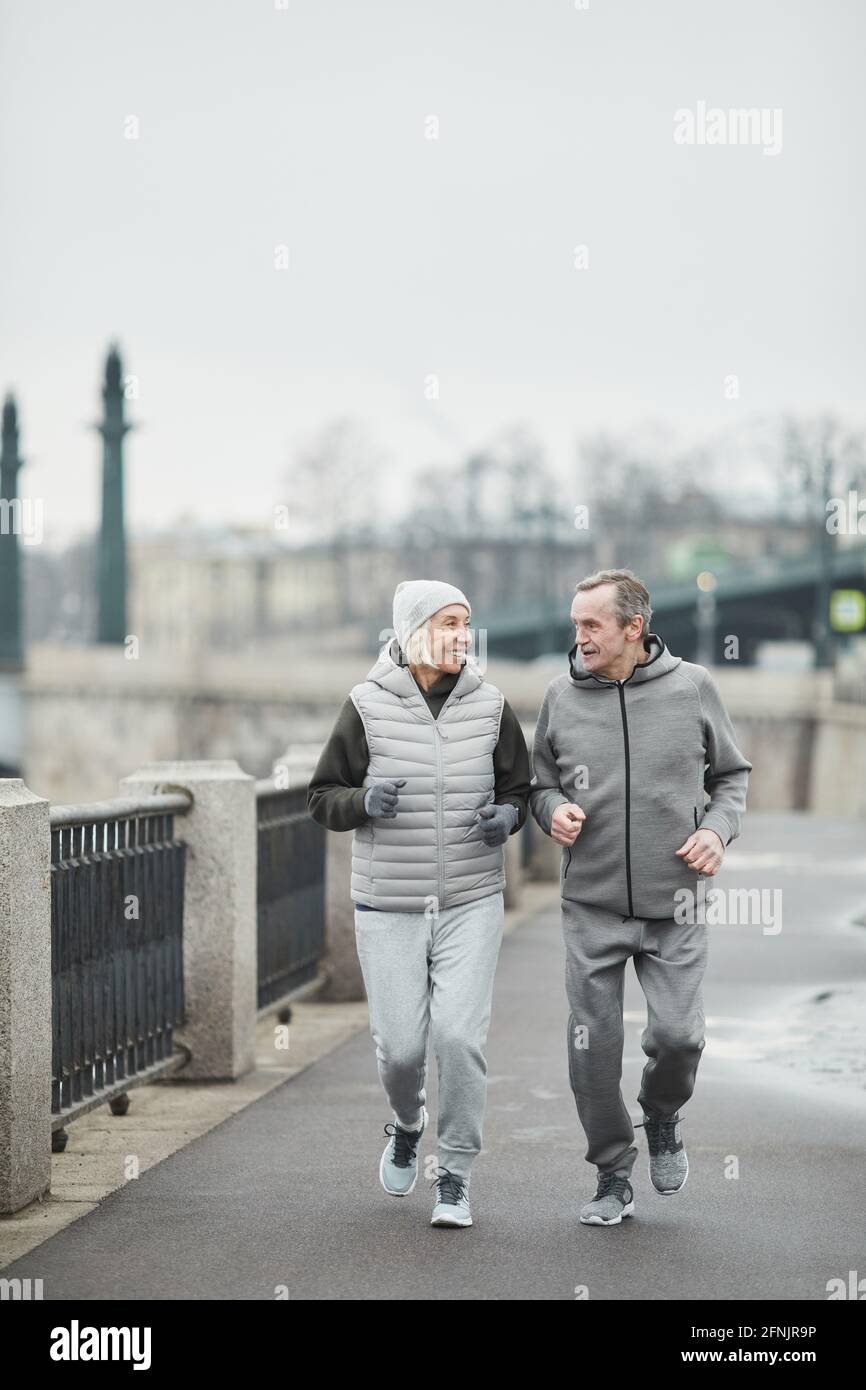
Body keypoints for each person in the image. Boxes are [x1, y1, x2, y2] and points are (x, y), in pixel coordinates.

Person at [530, 568, 751, 1226]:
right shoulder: (559, 698)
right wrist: (552, 810)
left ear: (634, 629)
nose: (580, 637)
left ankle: (661, 1118)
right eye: (575, 624)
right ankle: (612, 1174)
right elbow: (538, 783)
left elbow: (732, 777)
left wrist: (716, 830)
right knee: (591, 1049)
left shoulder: (693, 688)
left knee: (679, 1038)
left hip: (675, 906)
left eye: (592, 625)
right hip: (591, 907)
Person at [307, 579, 531, 1228]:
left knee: (459, 1039)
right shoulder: (366, 706)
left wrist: (506, 818)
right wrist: (362, 804)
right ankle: (408, 1123)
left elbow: (519, 788)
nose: (462, 635)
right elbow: (323, 795)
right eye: (447, 623)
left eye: (467, 623)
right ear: (412, 634)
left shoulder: (490, 706)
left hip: (470, 898)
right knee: (402, 1049)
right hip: (389, 903)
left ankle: (455, 1175)